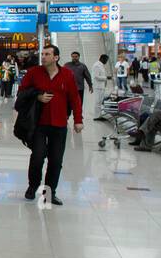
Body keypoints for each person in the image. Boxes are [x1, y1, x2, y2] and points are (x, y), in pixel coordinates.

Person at [18, 43, 83, 205]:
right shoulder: (34, 73)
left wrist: (78, 120)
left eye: (47, 54)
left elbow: (75, 98)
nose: (43, 57)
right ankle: (32, 187)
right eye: (43, 54)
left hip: (59, 124)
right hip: (38, 123)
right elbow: (21, 92)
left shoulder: (67, 75)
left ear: (56, 57)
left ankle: (49, 193)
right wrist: (37, 96)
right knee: (37, 157)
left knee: (56, 160)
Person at [91, 54, 110, 120]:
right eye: (106, 60)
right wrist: (106, 78)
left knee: (100, 101)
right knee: (97, 102)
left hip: (101, 86)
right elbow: (96, 76)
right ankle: (96, 116)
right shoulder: (97, 65)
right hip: (98, 86)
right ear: (102, 59)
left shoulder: (101, 65)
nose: (106, 61)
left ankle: (99, 115)